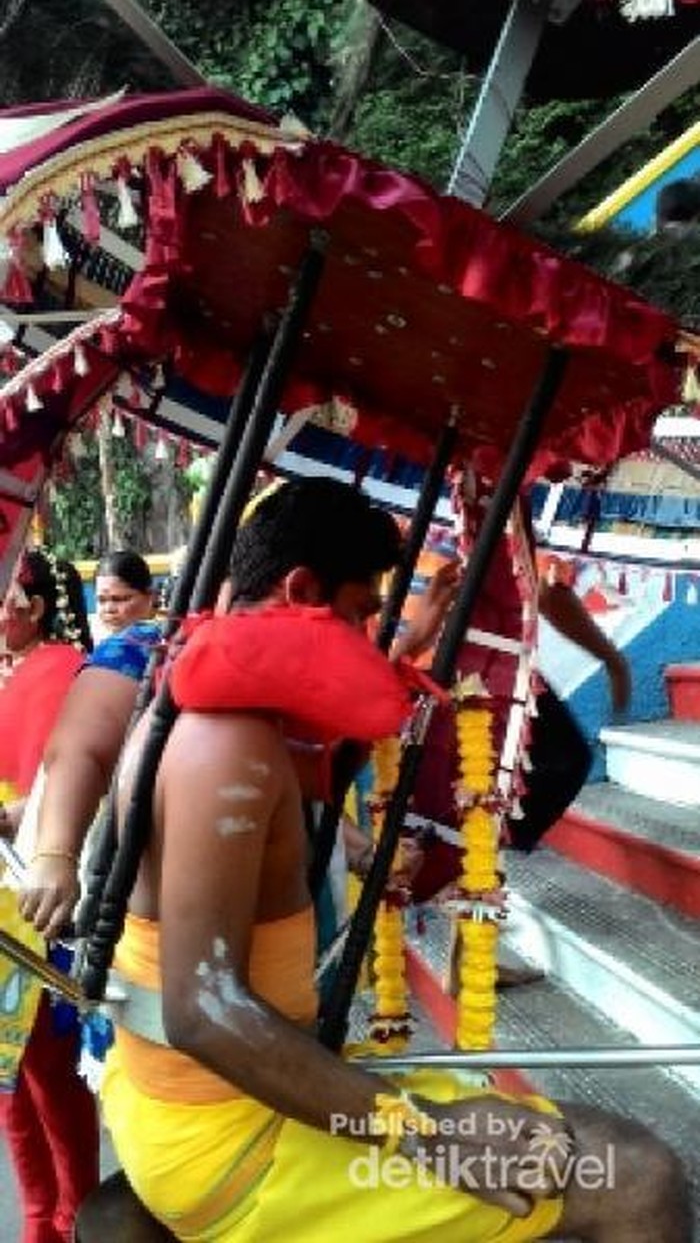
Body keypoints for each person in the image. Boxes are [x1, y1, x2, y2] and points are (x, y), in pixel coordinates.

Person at [94, 478, 687, 1242]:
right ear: (300, 588)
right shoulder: (226, 745)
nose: (362, 641)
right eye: (354, 616)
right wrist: (433, 1133)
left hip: (216, 1108)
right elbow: (204, 1011)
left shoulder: (201, 707)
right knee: (635, 1175)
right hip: (234, 1147)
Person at [0, 548, 98, 1243]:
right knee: (11, 1081)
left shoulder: (64, 671)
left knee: (47, 1075)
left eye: (7, 593)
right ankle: (42, 1218)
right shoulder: (14, 670)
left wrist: (21, 812)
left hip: (36, 897)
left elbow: (72, 783)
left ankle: (75, 1216)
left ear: (35, 608)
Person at [20, 549, 161, 941]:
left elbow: (81, 752)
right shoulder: (114, 654)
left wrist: (55, 854)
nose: (111, 610)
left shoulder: (135, 648)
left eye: (121, 599)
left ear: (150, 598)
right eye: (102, 601)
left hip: (115, 844)